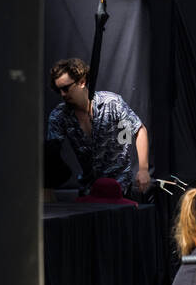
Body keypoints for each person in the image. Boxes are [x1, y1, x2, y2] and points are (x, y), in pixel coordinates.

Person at [47, 57, 150, 195]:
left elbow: (139, 130)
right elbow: (51, 152)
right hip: (90, 189)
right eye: (58, 90)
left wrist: (143, 169)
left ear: (82, 82)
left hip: (121, 187)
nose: (63, 94)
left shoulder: (111, 103)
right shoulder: (59, 116)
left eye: (66, 88)